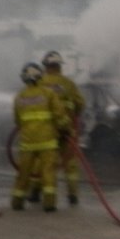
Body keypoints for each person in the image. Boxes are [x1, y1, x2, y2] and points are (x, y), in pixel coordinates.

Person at [11, 61, 69, 212]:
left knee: (23, 173)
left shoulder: (19, 97)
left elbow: (17, 121)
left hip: (27, 143)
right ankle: (49, 204)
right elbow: (60, 116)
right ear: (39, 76)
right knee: (48, 173)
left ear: (24, 78)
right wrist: (66, 129)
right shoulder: (49, 94)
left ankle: (17, 203)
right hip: (47, 142)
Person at [36, 50, 87, 206]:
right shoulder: (68, 84)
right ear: (59, 66)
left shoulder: (40, 82)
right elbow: (80, 103)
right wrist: (72, 117)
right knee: (70, 163)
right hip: (66, 129)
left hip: (46, 129)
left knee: (43, 162)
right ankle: (72, 195)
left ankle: (35, 192)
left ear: (45, 65)